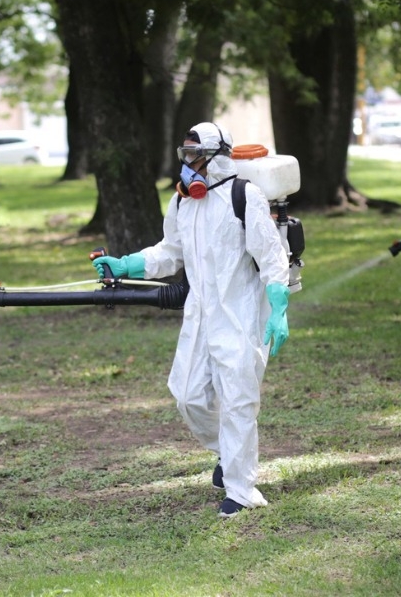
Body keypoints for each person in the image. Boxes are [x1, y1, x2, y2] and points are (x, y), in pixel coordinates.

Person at [92, 122, 290, 517]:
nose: (187, 165)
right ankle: (226, 454)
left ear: (216, 158)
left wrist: (279, 310)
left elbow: (272, 259)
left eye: (193, 156)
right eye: (183, 156)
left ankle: (241, 490)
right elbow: (170, 251)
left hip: (241, 314)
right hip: (200, 313)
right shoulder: (183, 201)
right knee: (187, 395)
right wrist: (127, 262)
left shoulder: (243, 197)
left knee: (238, 401)